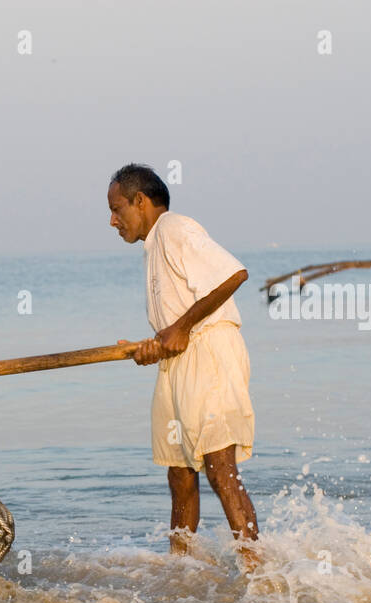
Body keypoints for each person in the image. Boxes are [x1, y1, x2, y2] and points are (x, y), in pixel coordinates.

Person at [108, 163, 259, 563]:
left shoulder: (175, 227)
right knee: (179, 472)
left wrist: (180, 328)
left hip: (210, 352)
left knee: (219, 467)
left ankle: (257, 570)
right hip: (179, 360)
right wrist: (154, 344)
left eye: (117, 209)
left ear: (140, 201)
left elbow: (233, 274)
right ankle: (181, 569)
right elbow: (174, 324)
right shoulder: (154, 244)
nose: (112, 221)